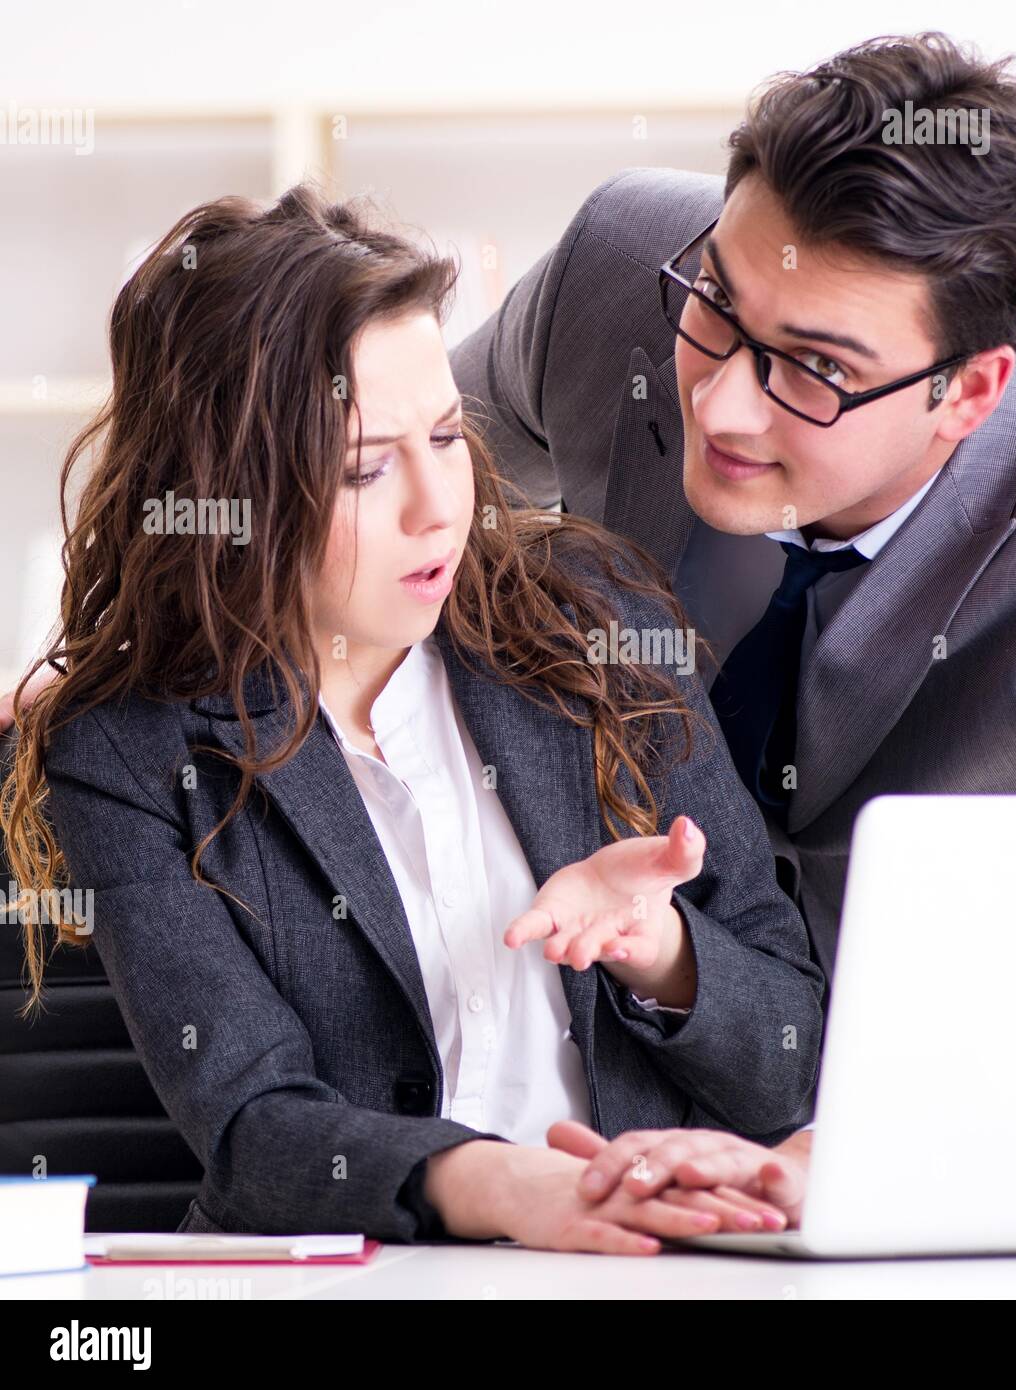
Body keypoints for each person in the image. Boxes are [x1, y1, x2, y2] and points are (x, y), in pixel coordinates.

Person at [443, 30, 1016, 1204]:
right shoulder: (624, 266)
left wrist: (818, 1171)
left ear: (969, 393)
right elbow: (374, 486)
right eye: (716, 308)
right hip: (596, 1079)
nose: (722, 403)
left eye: (814, 370)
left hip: (963, 1147)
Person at [0, 182, 823, 1254]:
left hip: (656, 1273)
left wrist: (660, 948)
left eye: (446, 436)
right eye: (363, 467)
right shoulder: (126, 748)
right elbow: (255, 1130)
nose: (438, 505)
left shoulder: (595, 628)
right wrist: (512, 1187)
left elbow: (793, 1056)